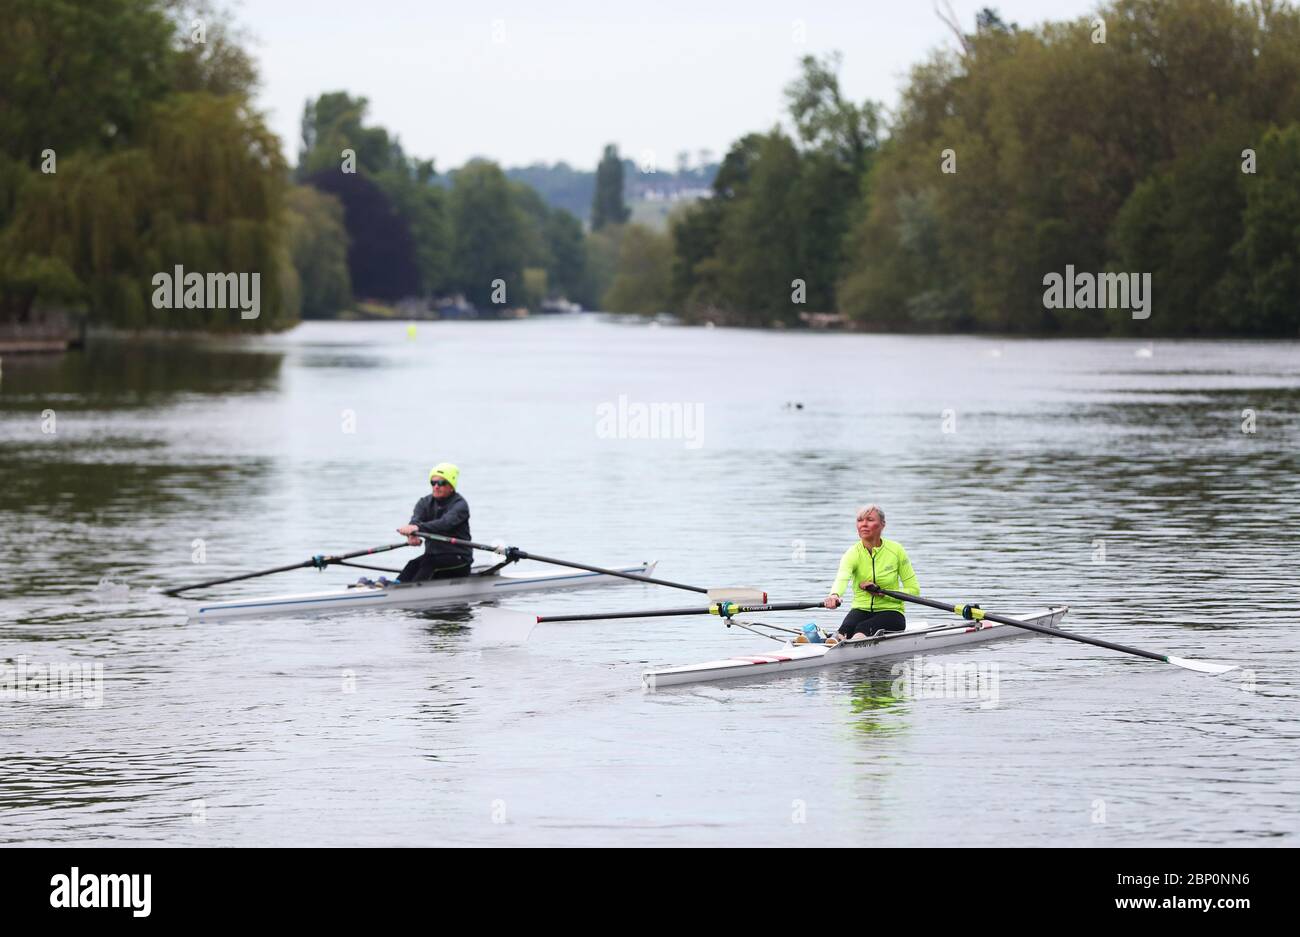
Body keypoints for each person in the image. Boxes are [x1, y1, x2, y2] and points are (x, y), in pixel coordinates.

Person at [822, 504, 919, 642]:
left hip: (892, 613)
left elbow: (914, 590)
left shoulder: (896, 551)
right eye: (860, 520)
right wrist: (834, 595)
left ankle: (853, 644)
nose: (864, 524)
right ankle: (832, 641)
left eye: (870, 520)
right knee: (845, 629)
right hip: (860, 610)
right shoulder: (852, 553)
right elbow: (842, 578)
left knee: (863, 628)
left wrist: (883, 593)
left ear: (882, 524)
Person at [393, 463, 473, 582]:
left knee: (428, 563)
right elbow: (416, 520)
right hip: (433, 557)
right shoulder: (424, 502)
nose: (436, 486)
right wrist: (412, 534)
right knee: (412, 564)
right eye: (433, 483)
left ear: (451, 486)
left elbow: (445, 523)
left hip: (459, 559)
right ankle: (393, 587)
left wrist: (417, 528)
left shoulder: (460, 505)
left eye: (441, 483)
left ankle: (408, 592)